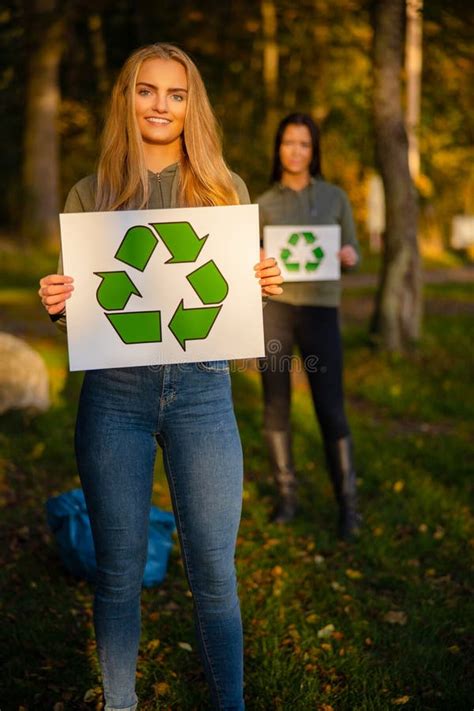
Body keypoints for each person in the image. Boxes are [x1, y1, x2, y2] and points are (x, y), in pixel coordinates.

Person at [38, 43, 283, 711]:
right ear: (128, 98)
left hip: (203, 393)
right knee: (116, 571)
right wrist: (59, 304)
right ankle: (121, 701)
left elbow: (232, 302)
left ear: (191, 105)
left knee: (214, 573)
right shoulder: (92, 193)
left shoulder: (222, 189)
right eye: (147, 91)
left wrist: (262, 285)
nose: (160, 105)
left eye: (176, 94)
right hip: (114, 397)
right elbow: (88, 314)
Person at [256, 112, 361, 539]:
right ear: (278, 148)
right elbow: (252, 264)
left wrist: (350, 258)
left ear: (314, 151)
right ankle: (287, 497)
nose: (295, 151)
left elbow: (352, 250)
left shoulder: (336, 198)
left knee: (329, 406)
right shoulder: (263, 204)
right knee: (275, 403)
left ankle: (348, 506)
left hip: (321, 309)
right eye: (288, 143)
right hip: (276, 312)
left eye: (304, 144)